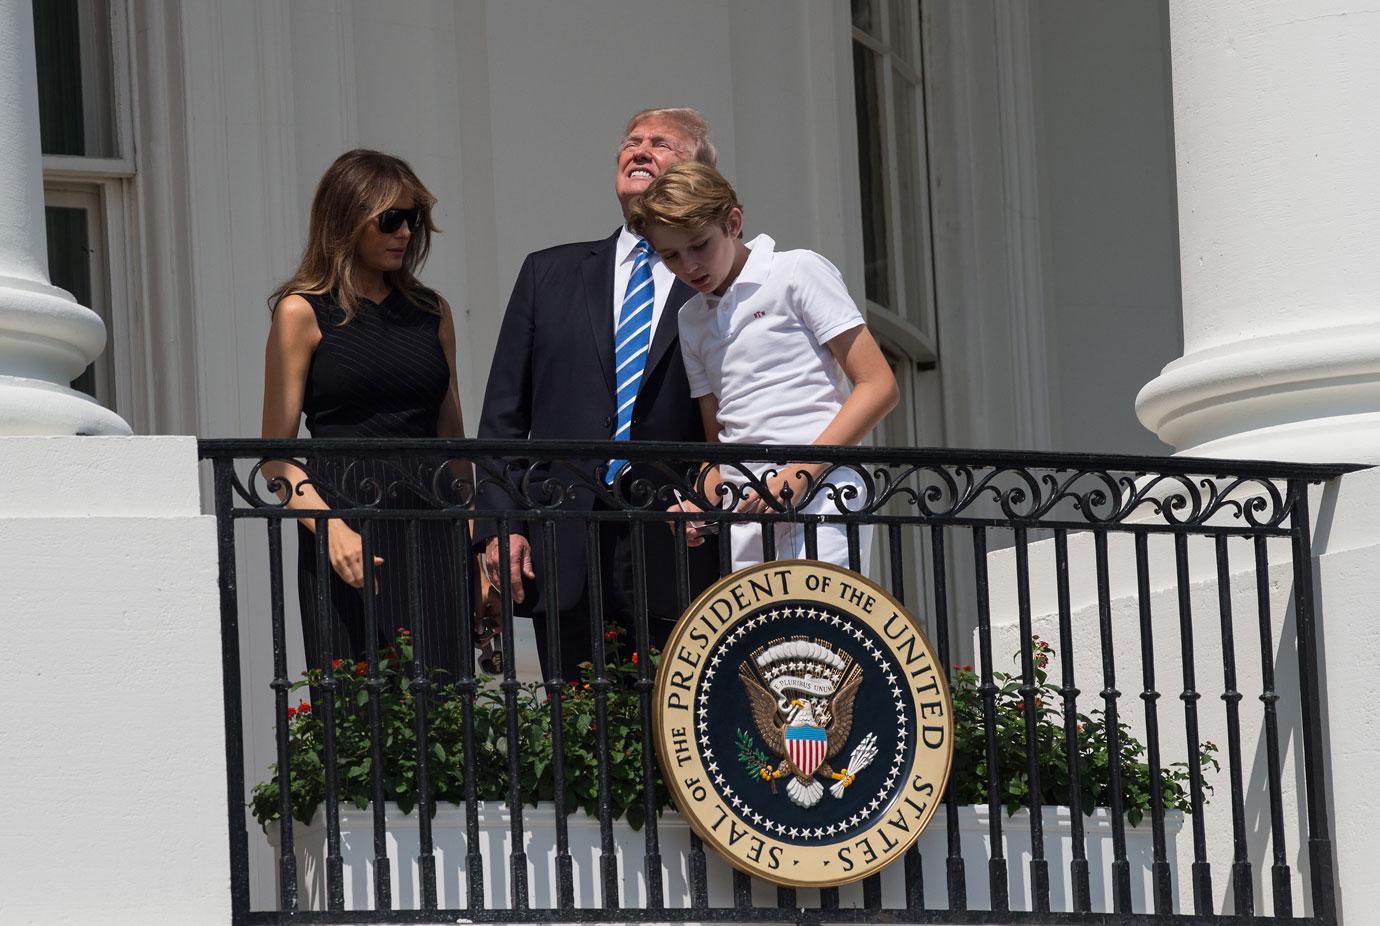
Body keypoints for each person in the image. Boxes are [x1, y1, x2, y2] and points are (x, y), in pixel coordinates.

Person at [476, 108, 721, 682]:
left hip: (678, 546)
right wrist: (501, 528)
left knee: (675, 724)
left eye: (661, 143)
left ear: (699, 175)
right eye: (632, 141)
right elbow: (503, 419)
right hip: (565, 547)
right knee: (574, 724)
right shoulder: (547, 273)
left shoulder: (716, 283)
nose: (640, 150)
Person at [261, 148, 474, 683]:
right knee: (357, 706)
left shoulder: (432, 311)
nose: (405, 232)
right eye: (390, 219)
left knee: (446, 700)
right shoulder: (302, 311)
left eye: (413, 219)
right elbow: (275, 459)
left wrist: (475, 541)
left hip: (432, 524)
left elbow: (453, 439)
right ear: (347, 220)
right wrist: (331, 529)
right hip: (345, 521)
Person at [628, 161, 900, 570]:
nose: (688, 266)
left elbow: (878, 385)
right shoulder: (691, 319)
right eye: (670, 256)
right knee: (768, 616)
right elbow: (719, 445)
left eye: (699, 245)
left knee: (813, 613)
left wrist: (800, 473)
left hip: (826, 496)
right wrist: (696, 501)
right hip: (746, 513)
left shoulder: (797, 271)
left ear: (733, 223)